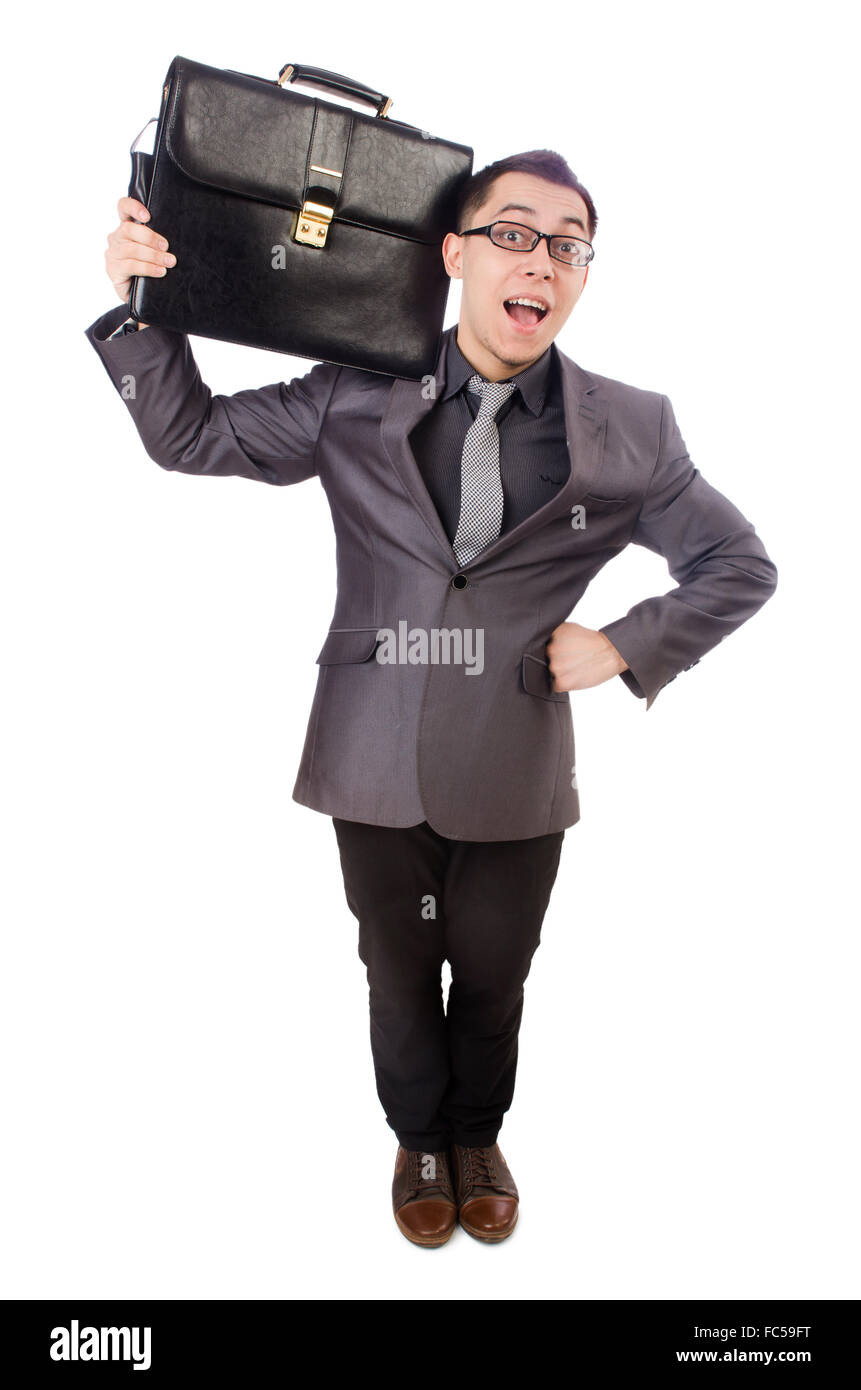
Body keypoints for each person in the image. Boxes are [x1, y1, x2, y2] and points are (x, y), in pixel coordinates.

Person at [86, 149, 777, 1248]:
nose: (539, 259)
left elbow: (740, 565)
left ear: (582, 276)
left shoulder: (632, 428)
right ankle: (416, 1137)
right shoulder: (355, 387)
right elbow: (190, 436)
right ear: (454, 253)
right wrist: (139, 309)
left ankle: (476, 1132)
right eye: (512, 231)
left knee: (497, 968)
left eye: (567, 244)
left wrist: (626, 644)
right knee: (397, 964)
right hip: (373, 747)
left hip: (516, 758)